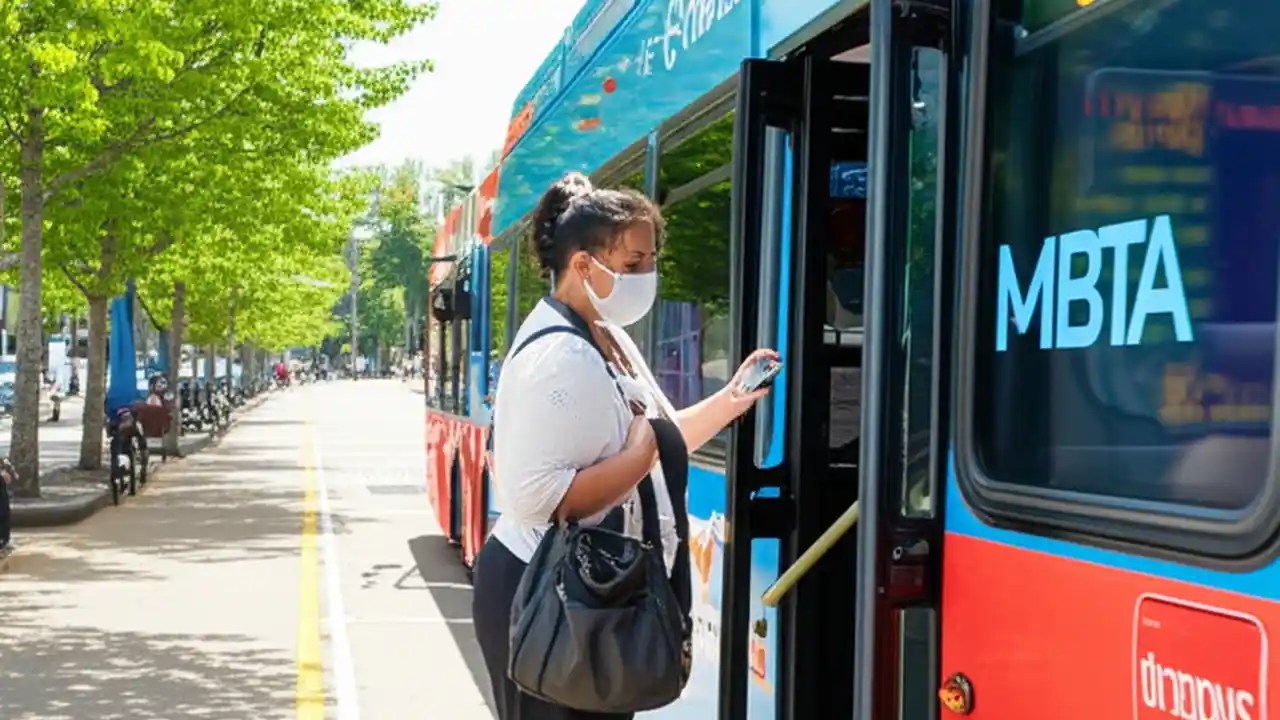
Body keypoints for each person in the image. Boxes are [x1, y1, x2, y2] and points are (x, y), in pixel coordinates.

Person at [471, 172, 777, 720]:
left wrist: (733, 398)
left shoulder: (607, 335)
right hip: (546, 598)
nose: (646, 276)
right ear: (584, 265)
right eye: (632, 264)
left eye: (651, 261)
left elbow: (660, 437)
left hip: (589, 596)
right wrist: (636, 458)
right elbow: (540, 499)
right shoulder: (558, 359)